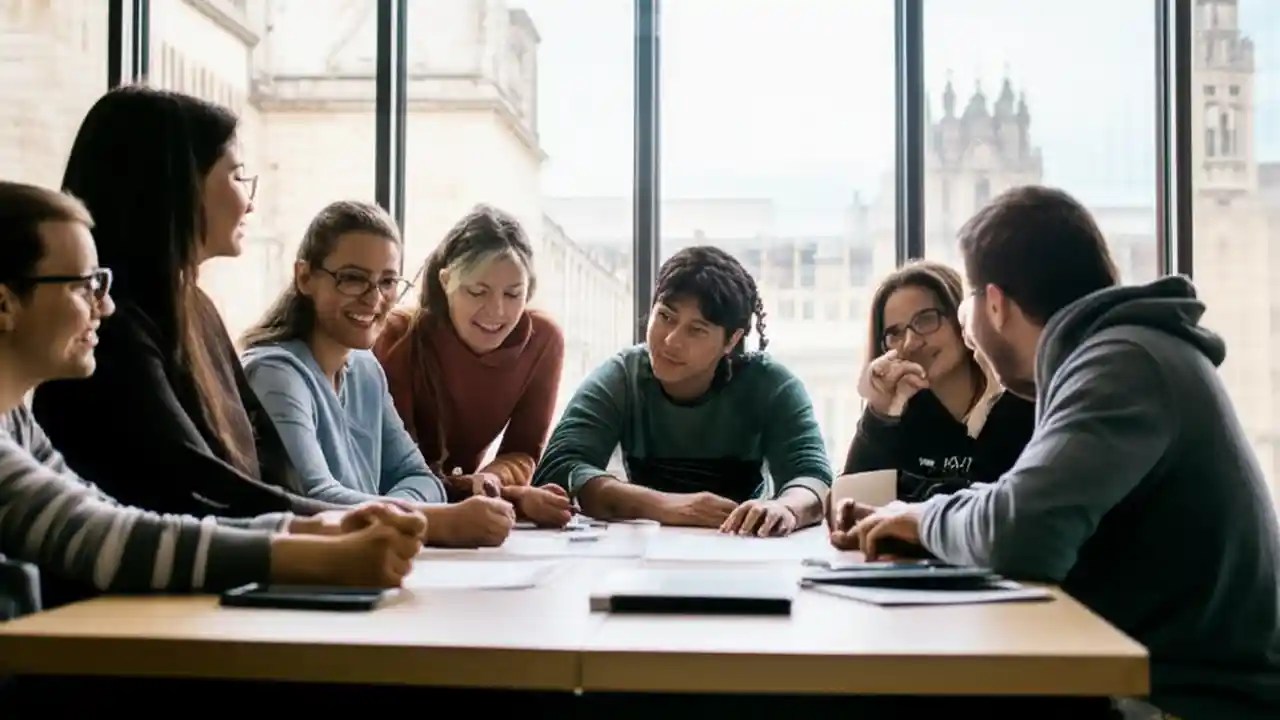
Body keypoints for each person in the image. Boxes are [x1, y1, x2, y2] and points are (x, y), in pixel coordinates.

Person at [834, 185, 1280, 719]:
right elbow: (1020, 503)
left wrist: (923, 518)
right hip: (1155, 677)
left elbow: (1022, 534)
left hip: (1185, 701)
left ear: (994, 305)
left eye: (967, 302)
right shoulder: (1125, 354)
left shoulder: (1121, 365)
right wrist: (921, 515)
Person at [0, 180, 426, 609]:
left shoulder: (15, 419)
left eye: (101, 283)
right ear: (4, 305)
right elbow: (99, 541)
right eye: (83, 286)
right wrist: (321, 556)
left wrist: (319, 530)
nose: (106, 307)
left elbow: (107, 515)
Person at [31, 85, 337, 519]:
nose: (249, 202)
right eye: (236, 176)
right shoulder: (107, 330)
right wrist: (361, 525)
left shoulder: (198, 308)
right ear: (177, 187)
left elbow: (268, 465)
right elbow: (194, 484)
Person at [240, 200, 514, 546]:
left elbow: (419, 477)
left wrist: (400, 520)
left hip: (365, 557)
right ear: (305, 277)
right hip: (305, 569)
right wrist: (435, 522)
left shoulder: (366, 368)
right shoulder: (274, 372)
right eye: (353, 279)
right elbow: (317, 498)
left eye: (387, 282)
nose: (375, 298)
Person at [532, 246, 831, 535]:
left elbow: (813, 477)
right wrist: (669, 507)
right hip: (641, 550)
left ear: (731, 340)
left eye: (696, 330)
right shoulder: (623, 376)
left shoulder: (771, 384)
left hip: (740, 546)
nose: (671, 341)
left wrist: (787, 508)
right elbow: (558, 469)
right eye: (665, 317)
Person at [373, 204, 572, 528]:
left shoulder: (543, 340)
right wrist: (509, 496)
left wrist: (493, 481)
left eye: (513, 294)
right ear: (446, 280)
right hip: (408, 509)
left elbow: (523, 451)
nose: (496, 311)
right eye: (477, 292)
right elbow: (398, 470)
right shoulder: (399, 335)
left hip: (469, 510)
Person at [843, 259, 1033, 502]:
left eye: (926, 320)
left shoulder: (1018, 402)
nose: (911, 343)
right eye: (895, 333)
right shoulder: (899, 415)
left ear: (962, 320)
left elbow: (997, 503)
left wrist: (898, 491)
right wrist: (880, 412)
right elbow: (849, 500)